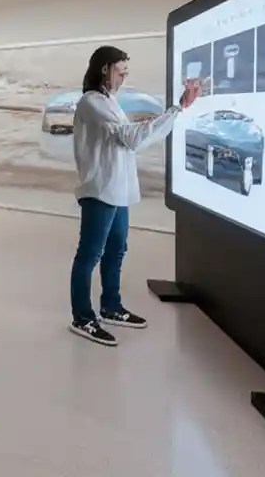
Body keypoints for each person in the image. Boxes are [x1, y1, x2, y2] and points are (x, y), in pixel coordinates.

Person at [68, 45, 201, 346]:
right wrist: (175, 110)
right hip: (100, 191)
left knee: (116, 251)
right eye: (121, 71)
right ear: (104, 69)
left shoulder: (109, 101)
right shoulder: (91, 102)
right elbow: (131, 139)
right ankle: (82, 317)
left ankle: (110, 306)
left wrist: (178, 108)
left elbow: (132, 138)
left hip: (118, 192)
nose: (124, 77)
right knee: (89, 255)